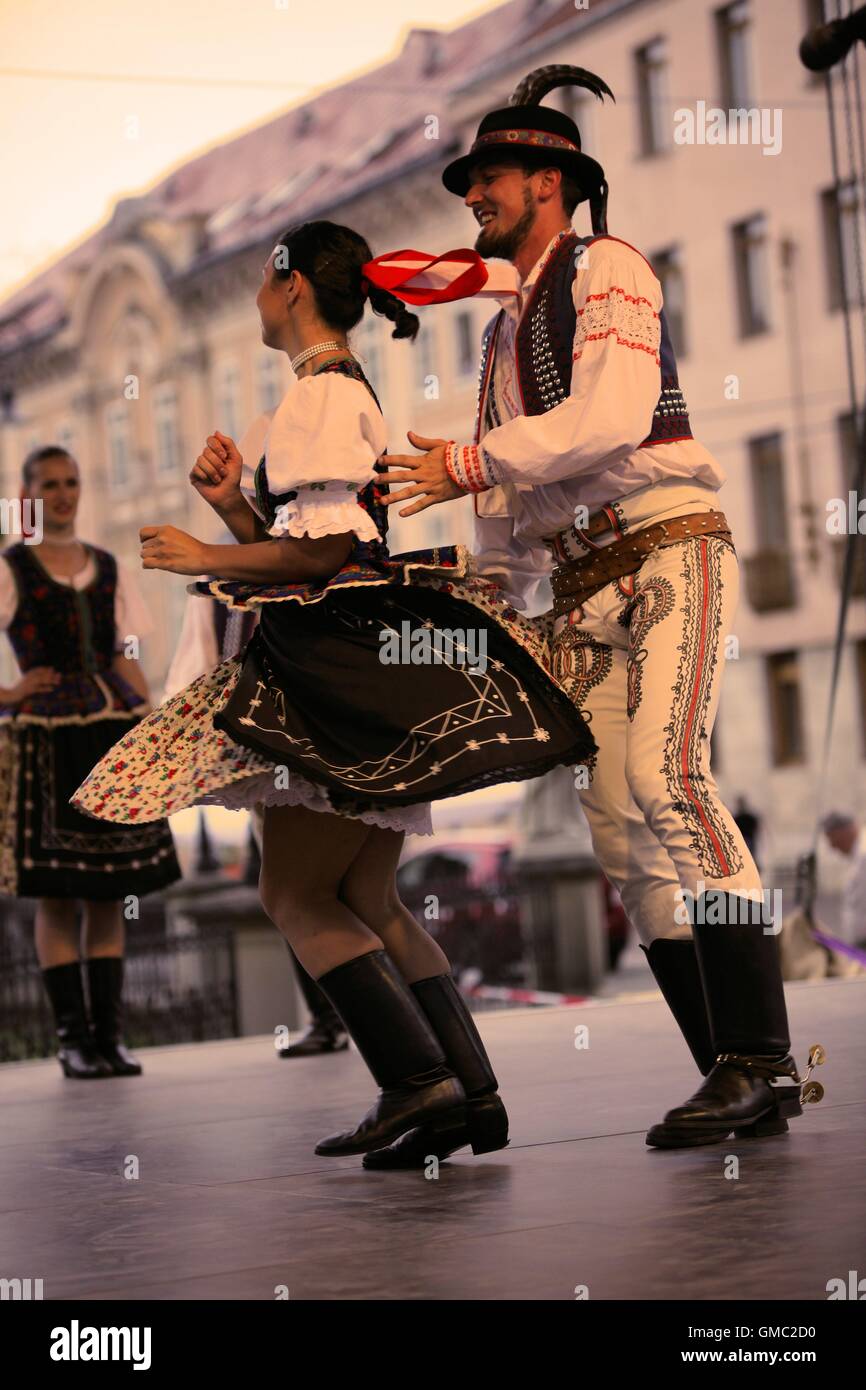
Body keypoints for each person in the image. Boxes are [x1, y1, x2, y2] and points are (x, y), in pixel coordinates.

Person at [70, 219, 595, 1166]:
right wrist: (236, 506)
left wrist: (210, 549)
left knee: (291, 890)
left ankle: (415, 1082)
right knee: (368, 894)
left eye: (265, 283)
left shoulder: (316, 398)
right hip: (371, 664)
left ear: (291, 287)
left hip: (327, 672)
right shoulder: (343, 393)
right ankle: (468, 1097)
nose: (257, 301)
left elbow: (323, 553)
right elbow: (324, 539)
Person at [377, 66, 819, 1149]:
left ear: (549, 180)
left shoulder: (608, 265)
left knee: (673, 783)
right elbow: (508, 509)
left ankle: (761, 1059)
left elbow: (610, 416)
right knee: (620, 833)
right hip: (580, 588)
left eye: (488, 177)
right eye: (469, 178)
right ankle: (728, 1072)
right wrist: (482, 603)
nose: (471, 196)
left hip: (666, 546)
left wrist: (470, 463)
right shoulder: (495, 336)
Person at [0, 446, 181, 1078]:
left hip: (106, 733)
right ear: (28, 493)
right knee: (57, 893)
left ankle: (108, 1036)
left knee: (107, 892)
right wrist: (9, 694)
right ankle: (72, 1039)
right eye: (49, 484)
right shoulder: (11, 567)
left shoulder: (106, 567)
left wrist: (152, 728)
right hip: (47, 738)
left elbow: (127, 654)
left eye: (71, 482)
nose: (63, 494)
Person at [163, 509, 348, 1057]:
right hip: (263, 737)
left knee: (311, 888)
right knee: (293, 885)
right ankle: (331, 1017)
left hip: (315, 730)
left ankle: (352, 1022)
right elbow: (202, 655)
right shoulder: (230, 562)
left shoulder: (321, 543)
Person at [821, 811, 866, 948]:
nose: (832, 846)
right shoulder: (858, 855)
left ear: (843, 831)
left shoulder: (863, 855)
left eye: (832, 838)